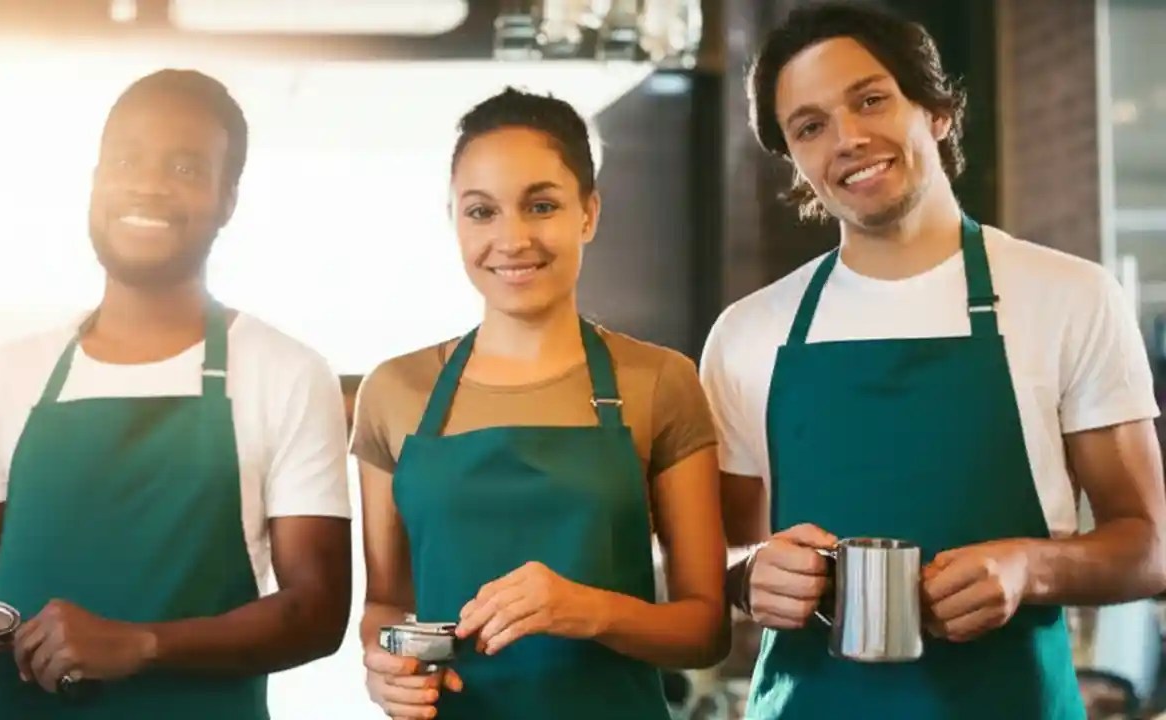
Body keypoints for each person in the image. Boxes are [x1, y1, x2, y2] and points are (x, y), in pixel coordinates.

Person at [700, 4, 1166, 719]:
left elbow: (1148, 546)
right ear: (793, 159)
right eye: (810, 125)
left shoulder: (1071, 297)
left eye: (871, 99)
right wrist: (748, 574)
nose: (849, 138)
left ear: (937, 110)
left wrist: (1028, 567)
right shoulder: (748, 332)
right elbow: (722, 551)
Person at [0, 69, 353, 719]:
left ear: (228, 199)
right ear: (94, 180)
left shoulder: (284, 372)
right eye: (126, 159)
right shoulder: (15, 372)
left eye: (185, 166)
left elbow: (316, 612)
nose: (148, 183)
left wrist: (143, 644)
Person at [352, 87, 729, 720]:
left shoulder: (660, 381)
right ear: (452, 220)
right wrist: (384, 671)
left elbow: (704, 630)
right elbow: (385, 606)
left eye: (542, 205)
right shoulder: (394, 392)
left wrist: (590, 610)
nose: (512, 238)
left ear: (589, 214)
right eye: (481, 212)